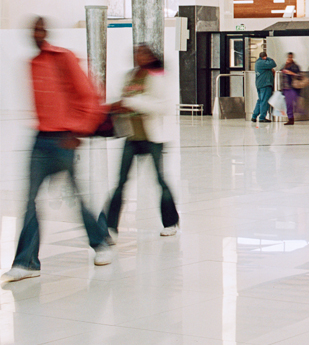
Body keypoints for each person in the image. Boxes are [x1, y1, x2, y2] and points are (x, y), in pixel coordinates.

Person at [3, 18, 112, 281]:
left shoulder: (63, 58)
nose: (36, 33)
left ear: (47, 32)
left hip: (64, 139)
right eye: (33, 29)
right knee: (29, 201)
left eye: (40, 28)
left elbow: (89, 95)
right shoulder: (32, 64)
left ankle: (100, 243)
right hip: (40, 139)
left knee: (75, 198)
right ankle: (26, 262)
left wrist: (80, 130)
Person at [105, 44, 180, 240]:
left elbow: (163, 105)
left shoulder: (160, 76)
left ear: (151, 55)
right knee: (120, 182)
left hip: (154, 137)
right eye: (136, 53)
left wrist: (132, 102)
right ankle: (109, 226)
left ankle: (171, 222)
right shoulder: (130, 76)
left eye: (143, 53)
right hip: (132, 137)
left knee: (160, 181)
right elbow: (123, 99)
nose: (139, 56)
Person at [251, 50, 277, 123]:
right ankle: (262, 117)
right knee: (264, 101)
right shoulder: (262, 63)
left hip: (260, 84)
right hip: (265, 85)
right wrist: (269, 58)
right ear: (264, 57)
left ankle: (254, 116)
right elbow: (273, 64)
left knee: (260, 100)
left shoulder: (258, 63)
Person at [279, 52, 302, 125]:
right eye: (288, 57)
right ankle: (290, 119)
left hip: (292, 88)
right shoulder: (285, 66)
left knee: (292, 103)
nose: (289, 59)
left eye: (291, 57)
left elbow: (299, 76)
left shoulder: (295, 66)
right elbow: (281, 71)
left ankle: (292, 117)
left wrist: (291, 73)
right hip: (285, 88)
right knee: (288, 104)